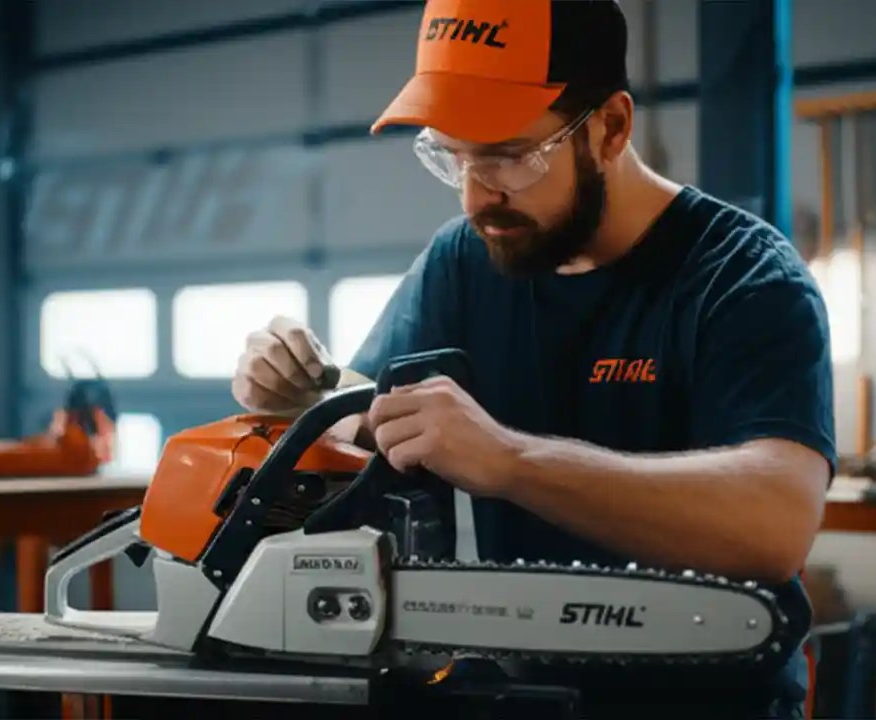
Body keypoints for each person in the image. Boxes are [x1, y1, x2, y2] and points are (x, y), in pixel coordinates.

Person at [232, 0, 835, 716]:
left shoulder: (744, 278)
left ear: (610, 126)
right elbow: (368, 411)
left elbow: (775, 524)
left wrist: (510, 462)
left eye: (509, 155)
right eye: (450, 155)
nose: (476, 195)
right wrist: (303, 398)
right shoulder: (464, 261)